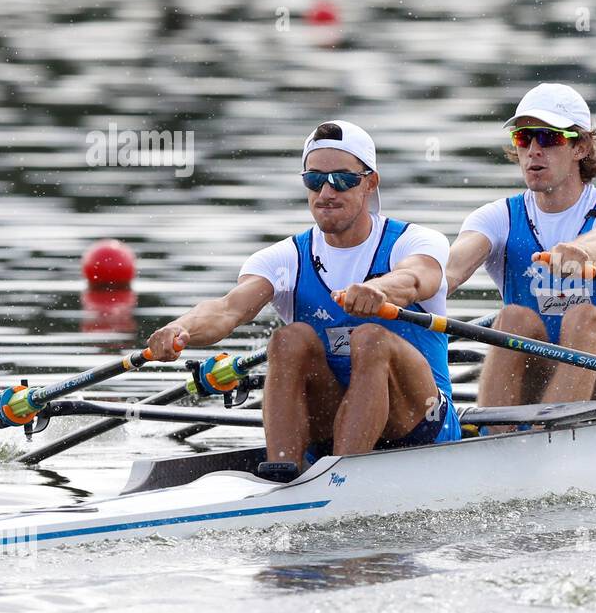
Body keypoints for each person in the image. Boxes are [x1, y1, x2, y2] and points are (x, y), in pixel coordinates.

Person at [145, 119, 459, 481]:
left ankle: (340, 480)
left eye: (342, 179)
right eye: (314, 179)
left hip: (419, 422)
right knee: (288, 339)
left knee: (370, 336)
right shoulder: (284, 258)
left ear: (370, 183)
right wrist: (179, 327)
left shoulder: (415, 241)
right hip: (333, 421)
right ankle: (285, 472)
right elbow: (228, 309)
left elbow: (419, 277)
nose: (326, 191)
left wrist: (382, 291)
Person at [445, 83, 596, 408]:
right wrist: (399, 287)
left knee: (583, 317)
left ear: (581, 147)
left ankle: (543, 442)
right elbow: (449, 269)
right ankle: (496, 443)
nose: (533, 150)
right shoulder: (496, 218)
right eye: (523, 138)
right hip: (541, 382)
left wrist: (584, 252)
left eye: (549, 138)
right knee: (513, 318)